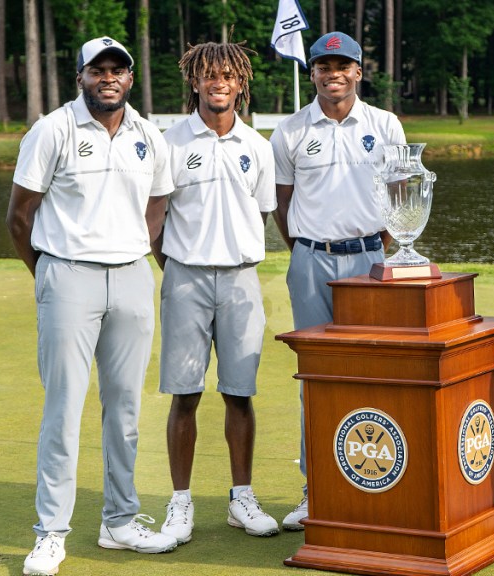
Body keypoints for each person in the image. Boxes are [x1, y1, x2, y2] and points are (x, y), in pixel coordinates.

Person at [5, 36, 178, 576]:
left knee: (125, 409)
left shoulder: (149, 135)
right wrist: (52, 276)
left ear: (130, 79)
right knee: (64, 409)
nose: (109, 77)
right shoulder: (52, 130)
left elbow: (157, 207)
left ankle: (119, 522)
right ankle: (51, 533)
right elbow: (19, 216)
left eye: (118, 70)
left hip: (130, 278)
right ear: (79, 76)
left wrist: (130, 250)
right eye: (98, 69)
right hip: (68, 275)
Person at [270, 31, 405, 531]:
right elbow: (282, 204)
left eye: (342, 65)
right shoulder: (288, 131)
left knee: (375, 373)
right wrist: (307, 248)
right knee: (318, 379)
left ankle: (379, 478)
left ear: (358, 71)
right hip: (310, 263)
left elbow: (401, 193)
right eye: (324, 66)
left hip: (369, 259)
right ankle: (317, 488)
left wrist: (378, 245)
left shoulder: (385, 124)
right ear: (313, 74)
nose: (333, 74)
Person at [153, 41, 279, 544]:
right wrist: (178, 266)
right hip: (185, 277)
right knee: (184, 395)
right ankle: (180, 502)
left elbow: (263, 213)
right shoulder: (170, 142)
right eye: (209, 75)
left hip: (241, 279)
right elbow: (155, 220)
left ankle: (241, 498)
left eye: (228, 75)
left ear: (240, 83)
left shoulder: (259, 147)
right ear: (195, 82)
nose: (218, 82)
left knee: (239, 394)